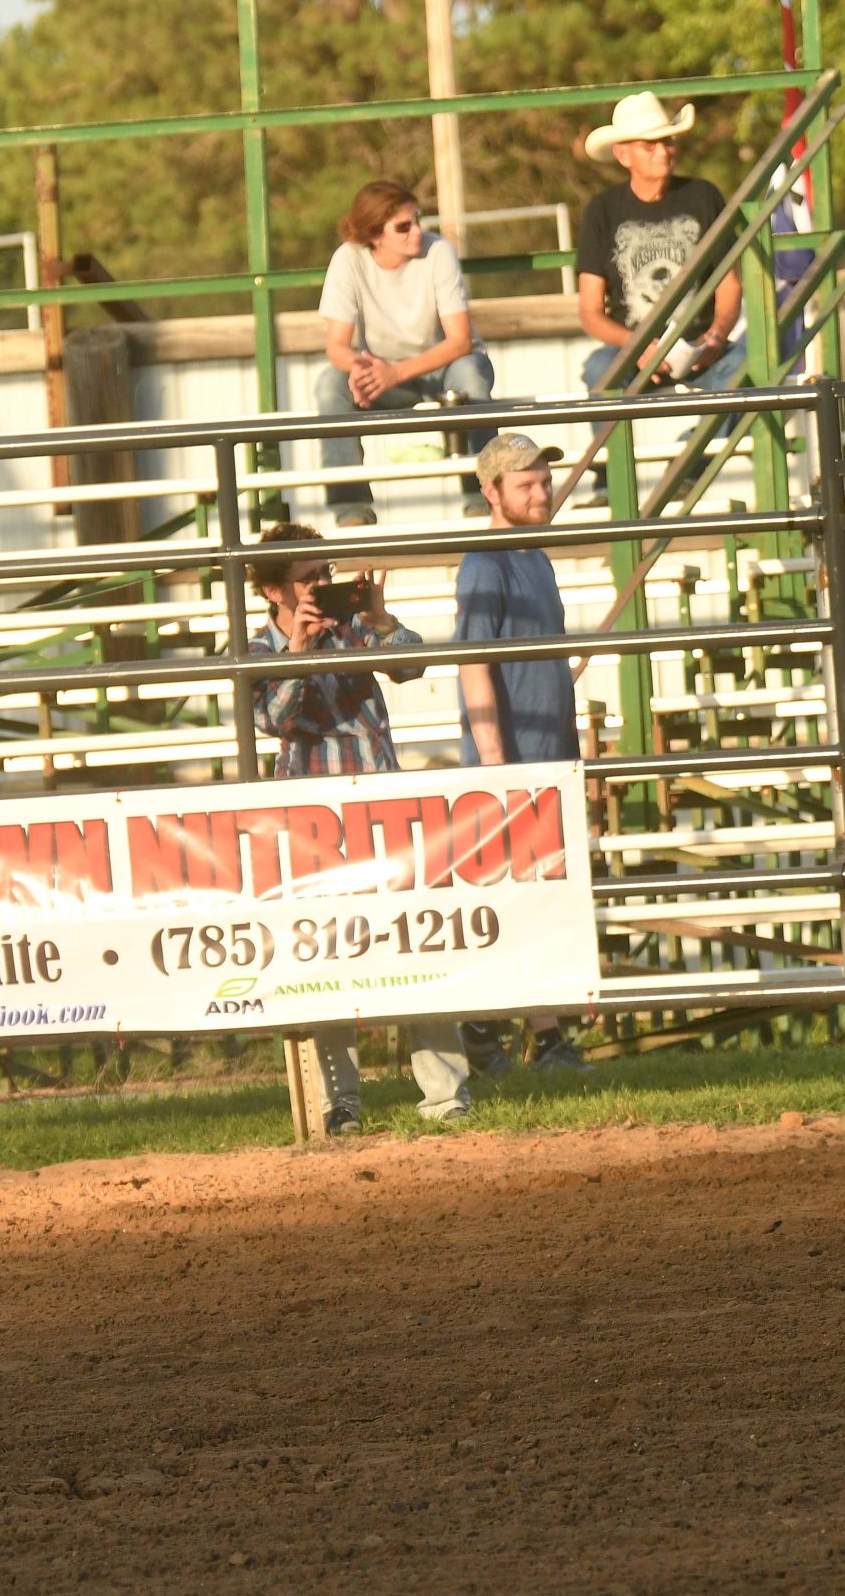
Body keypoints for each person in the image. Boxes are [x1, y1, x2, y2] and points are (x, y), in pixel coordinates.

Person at [249, 521, 474, 1127]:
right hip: (314, 821)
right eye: (305, 579)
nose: (320, 585)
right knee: (323, 959)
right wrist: (298, 649)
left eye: (323, 573)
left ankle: (446, 1097)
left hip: (381, 807)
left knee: (416, 940)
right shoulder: (256, 649)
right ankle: (338, 1104)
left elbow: (414, 664)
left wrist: (377, 618)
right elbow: (272, 718)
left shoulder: (353, 628)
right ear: (274, 592)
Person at [455, 433, 587, 1073]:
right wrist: (495, 763)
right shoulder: (486, 562)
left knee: (533, 898)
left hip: (543, 751)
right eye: (527, 484)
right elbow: (472, 663)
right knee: (513, 898)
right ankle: (492, 1029)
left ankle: (504, 1032)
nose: (542, 492)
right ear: (492, 492)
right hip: (512, 759)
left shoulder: (531, 555)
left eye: (543, 481)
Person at [575, 93, 747, 503]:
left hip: (700, 345)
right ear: (623, 155)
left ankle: (687, 464)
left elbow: (730, 283)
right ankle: (610, 480)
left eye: (668, 141)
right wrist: (638, 347)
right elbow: (589, 311)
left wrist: (716, 337)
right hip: (633, 351)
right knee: (599, 371)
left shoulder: (704, 196)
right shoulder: (601, 211)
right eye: (650, 144)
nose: (664, 151)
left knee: (747, 367)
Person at [314, 180, 496, 526]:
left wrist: (393, 373)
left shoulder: (439, 250)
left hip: (445, 367)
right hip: (386, 374)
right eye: (403, 225)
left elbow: (459, 341)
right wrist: (359, 368)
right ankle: (351, 509)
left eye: (417, 218)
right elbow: (336, 345)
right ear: (374, 234)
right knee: (330, 385)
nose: (417, 230)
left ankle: (482, 498)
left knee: (470, 374)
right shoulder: (348, 259)